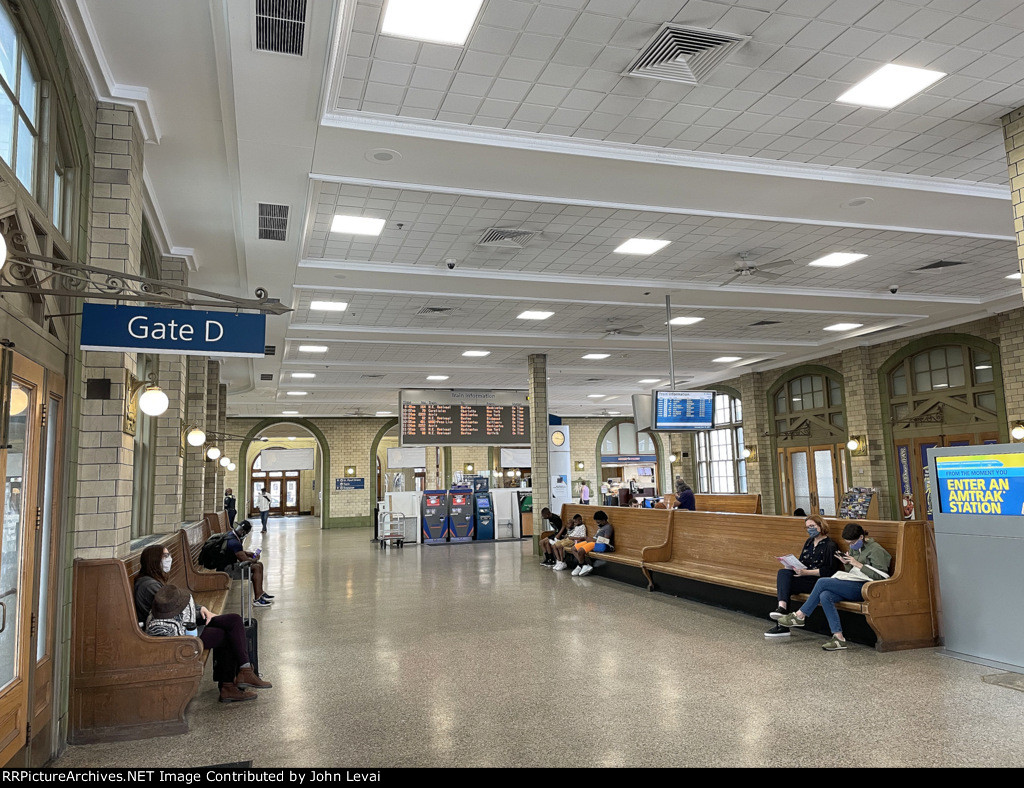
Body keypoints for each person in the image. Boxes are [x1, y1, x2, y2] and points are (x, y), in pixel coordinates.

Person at [145, 583, 271, 703]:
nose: (168, 561)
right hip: (184, 638)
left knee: (234, 620)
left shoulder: (159, 588)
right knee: (227, 634)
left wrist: (202, 610)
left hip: (187, 623)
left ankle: (244, 672)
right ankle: (231, 684)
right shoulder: (148, 585)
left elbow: (183, 609)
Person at [774, 523, 892, 651]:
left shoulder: (876, 550)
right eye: (848, 543)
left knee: (822, 582)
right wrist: (846, 564)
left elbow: (881, 577)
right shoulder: (854, 547)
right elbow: (852, 572)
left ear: (861, 537)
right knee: (825, 595)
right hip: (853, 582)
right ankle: (838, 638)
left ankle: (800, 615)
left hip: (867, 588)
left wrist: (858, 564)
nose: (851, 546)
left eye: (853, 542)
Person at [765, 514, 840, 638]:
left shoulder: (830, 545)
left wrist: (807, 573)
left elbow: (829, 571)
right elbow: (802, 562)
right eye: (807, 527)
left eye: (812, 526)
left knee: (786, 585)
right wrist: (791, 566)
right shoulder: (809, 542)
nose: (809, 529)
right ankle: (782, 608)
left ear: (820, 526)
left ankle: (782, 626)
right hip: (804, 577)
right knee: (783, 574)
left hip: (817, 582)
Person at [226, 521, 274, 607]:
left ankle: (260, 593)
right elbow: (244, 561)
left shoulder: (231, 535)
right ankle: (257, 599)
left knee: (260, 565)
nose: (245, 536)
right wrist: (255, 559)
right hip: (226, 570)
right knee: (256, 567)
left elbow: (236, 552)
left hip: (227, 564)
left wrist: (247, 553)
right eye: (246, 533)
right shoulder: (235, 542)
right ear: (243, 532)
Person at [572, 510, 614, 577]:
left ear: (604, 520)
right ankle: (583, 565)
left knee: (580, 550)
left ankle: (580, 565)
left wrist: (593, 539)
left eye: (598, 522)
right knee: (574, 549)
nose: (597, 524)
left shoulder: (608, 527)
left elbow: (606, 541)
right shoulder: (601, 527)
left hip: (598, 544)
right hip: (593, 541)